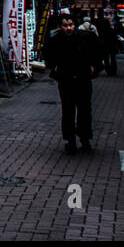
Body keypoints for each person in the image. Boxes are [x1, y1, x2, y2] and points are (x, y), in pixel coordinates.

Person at [43, 11, 102, 153]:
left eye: (71, 25)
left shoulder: (86, 37)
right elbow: (48, 55)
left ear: (75, 25)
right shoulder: (55, 40)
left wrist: (94, 67)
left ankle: (85, 139)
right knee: (68, 110)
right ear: (60, 26)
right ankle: (70, 140)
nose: (68, 28)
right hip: (66, 80)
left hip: (83, 78)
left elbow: (98, 51)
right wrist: (55, 67)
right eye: (65, 26)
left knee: (84, 110)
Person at [95, 12, 118, 76]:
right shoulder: (111, 30)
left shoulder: (101, 32)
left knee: (106, 59)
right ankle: (113, 71)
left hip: (105, 46)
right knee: (113, 59)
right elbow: (115, 38)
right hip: (112, 46)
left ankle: (108, 71)